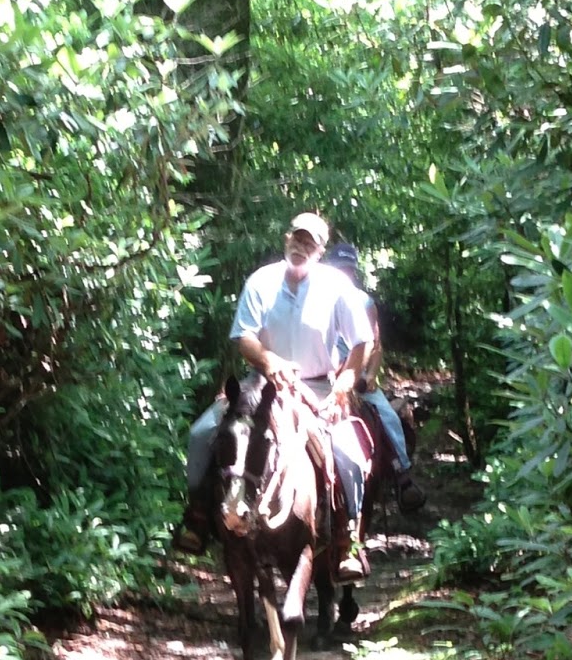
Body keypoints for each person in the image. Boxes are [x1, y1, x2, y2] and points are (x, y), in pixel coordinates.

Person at [177, 211, 373, 578]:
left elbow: (363, 341)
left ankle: (348, 537)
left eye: (309, 242)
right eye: (297, 239)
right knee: (203, 433)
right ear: (287, 239)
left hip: (317, 384)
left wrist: (345, 383)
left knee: (349, 451)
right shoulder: (261, 282)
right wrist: (268, 361)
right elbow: (243, 336)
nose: (301, 246)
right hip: (262, 381)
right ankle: (198, 516)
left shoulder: (337, 288)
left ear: (319, 250)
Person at [325, 240, 425, 513]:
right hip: (323, 376)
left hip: (355, 376)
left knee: (388, 416)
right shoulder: (317, 300)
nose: (344, 273)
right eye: (339, 268)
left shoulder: (363, 301)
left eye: (348, 269)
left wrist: (368, 374)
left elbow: (375, 344)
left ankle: (402, 473)